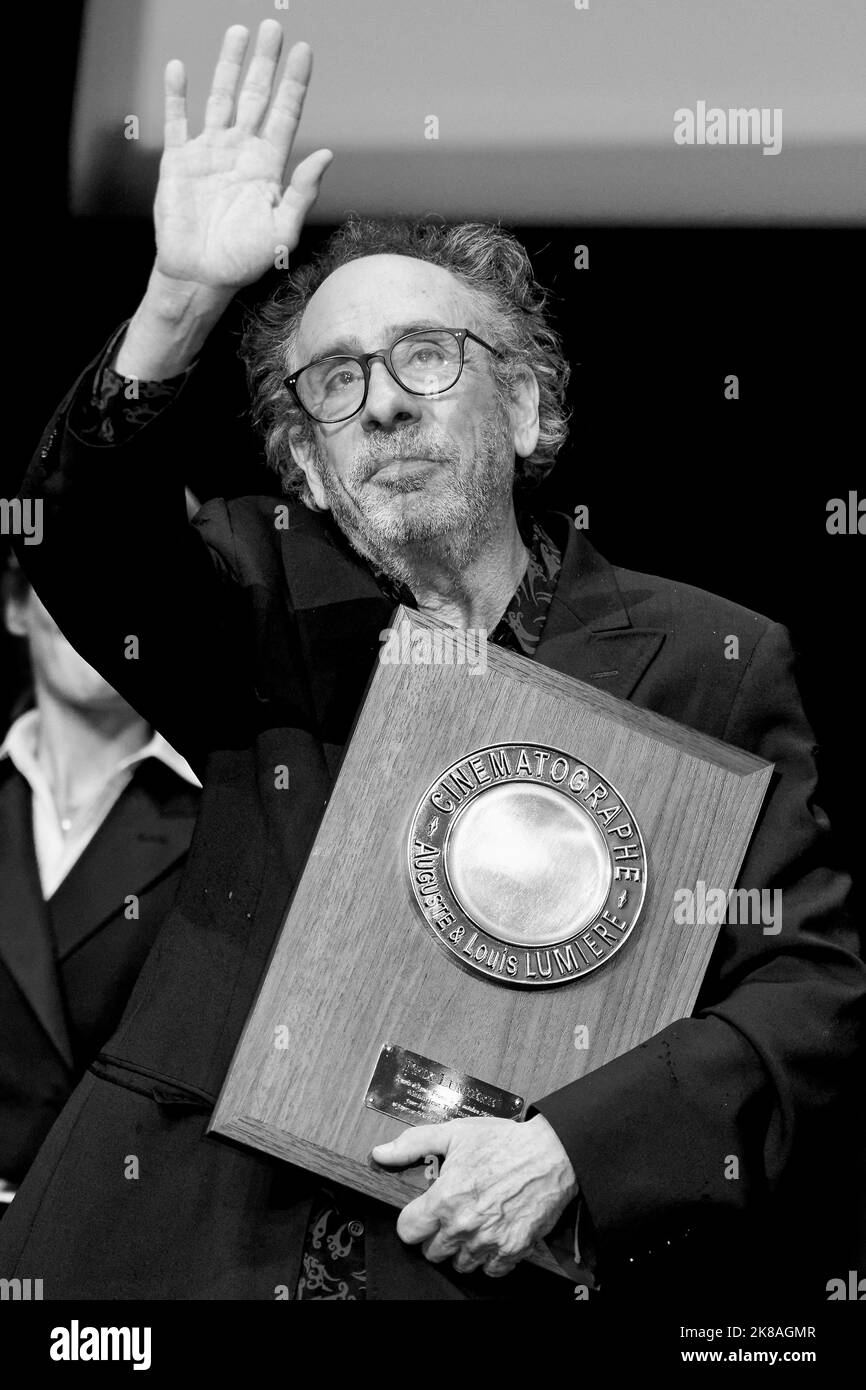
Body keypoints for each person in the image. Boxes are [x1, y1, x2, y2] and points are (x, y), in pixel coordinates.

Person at [2, 20, 862, 1301]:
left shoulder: (706, 657)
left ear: (528, 407)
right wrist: (177, 299)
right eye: (334, 385)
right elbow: (75, 536)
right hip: (163, 1247)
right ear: (305, 464)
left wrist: (572, 1151)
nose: (383, 403)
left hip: (466, 1266)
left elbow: (806, 993)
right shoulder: (251, 597)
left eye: (423, 356)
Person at [0, 556, 200, 1203]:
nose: (96, 614)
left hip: (114, 1239)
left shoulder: (233, 824)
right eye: (68, 580)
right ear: (16, 605)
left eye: (130, 587)